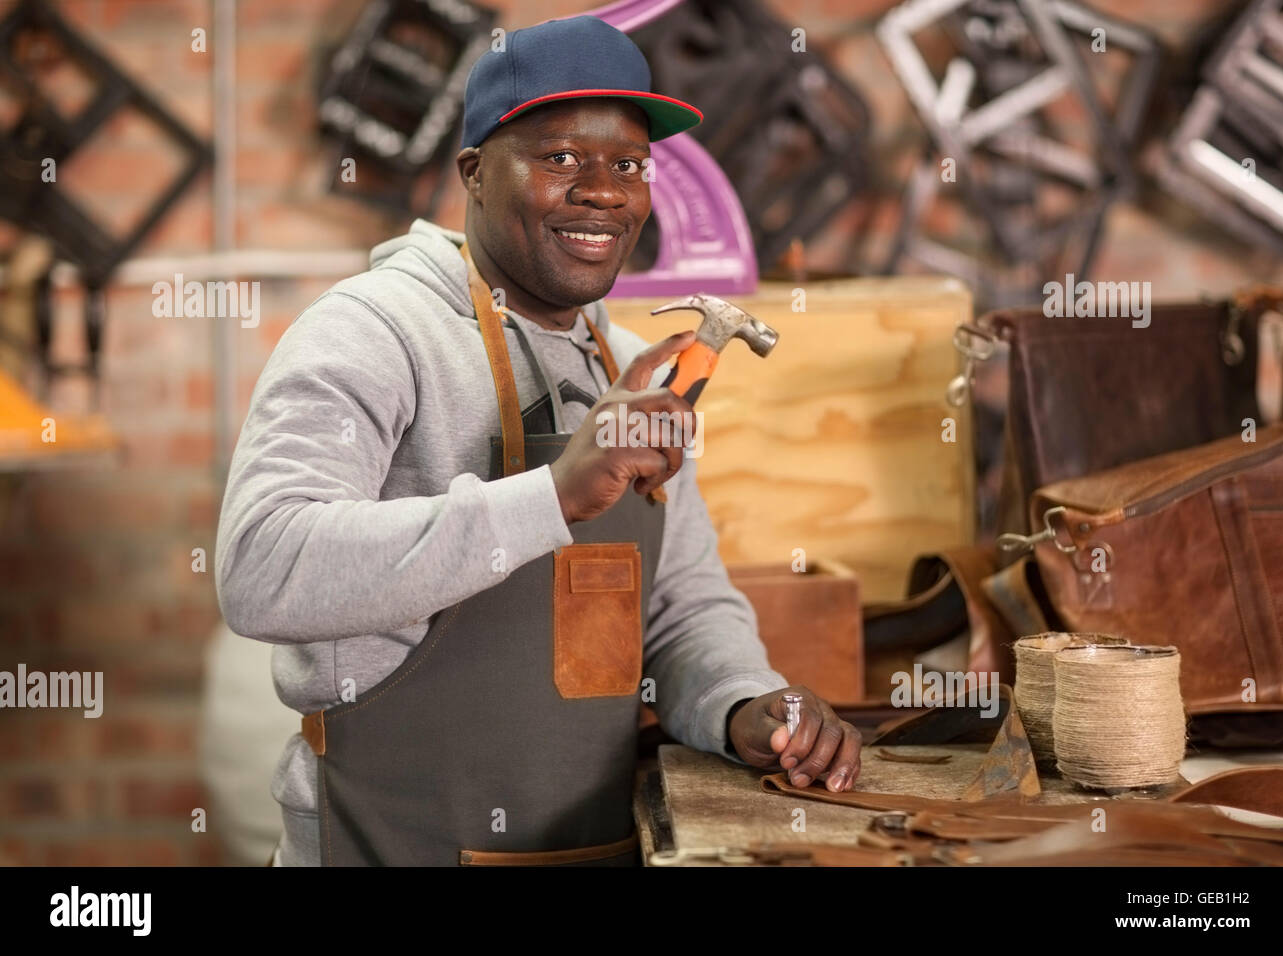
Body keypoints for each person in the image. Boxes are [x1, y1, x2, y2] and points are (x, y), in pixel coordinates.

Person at [215, 15, 861, 867]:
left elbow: (681, 608)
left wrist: (746, 707)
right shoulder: (372, 333)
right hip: (387, 848)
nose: (604, 191)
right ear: (475, 174)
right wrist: (554, 494)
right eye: (560, 158)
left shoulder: (629, 367)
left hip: (594, 849)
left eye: (629, 164)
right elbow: (263, 568)